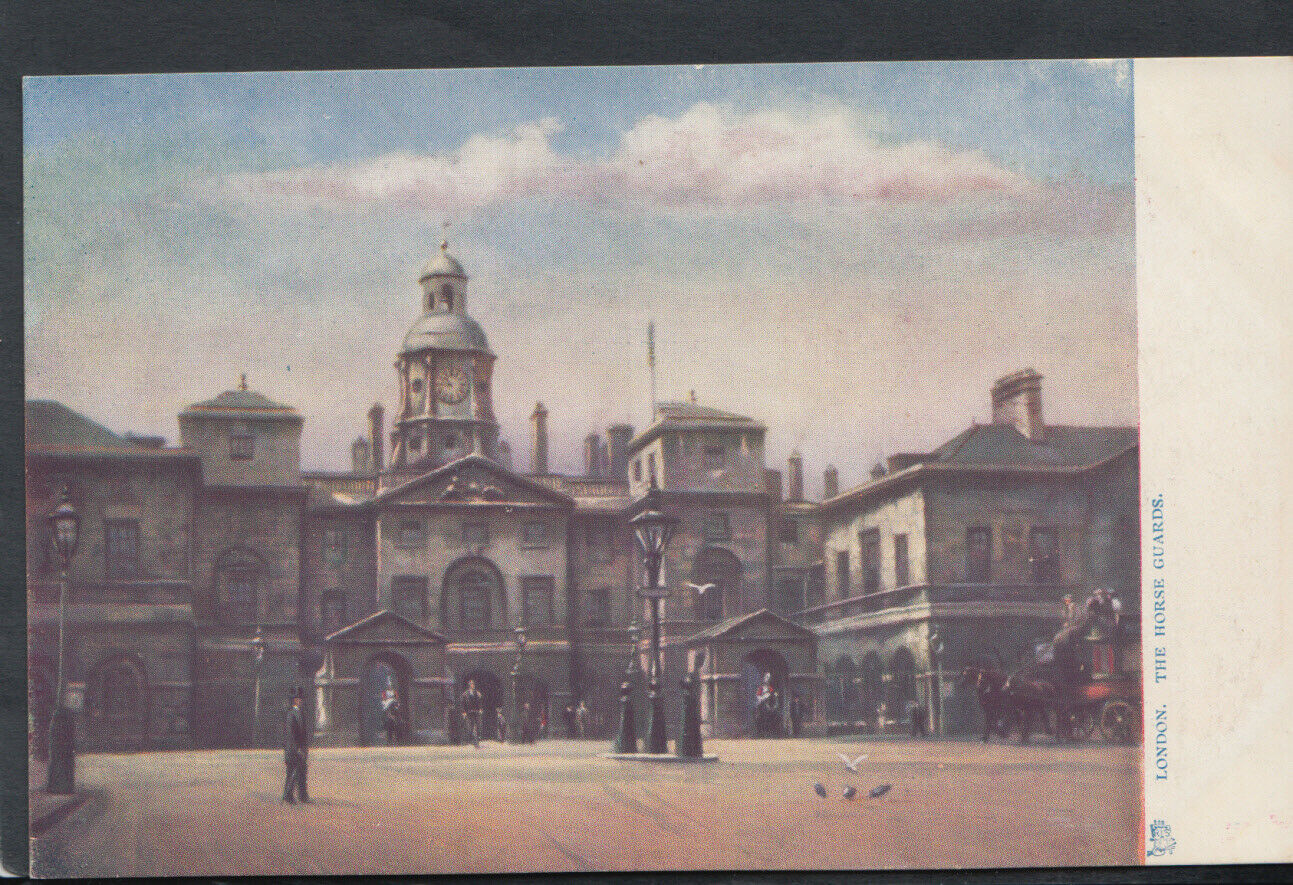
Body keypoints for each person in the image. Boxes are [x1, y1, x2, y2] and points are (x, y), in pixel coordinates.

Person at [282, 687, 310, 804]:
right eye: (298, 699)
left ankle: (303, 796)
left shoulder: (300, 713)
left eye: (300, 699)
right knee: (292, 773)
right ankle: (288, 796)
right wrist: (297, 748)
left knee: (302, 772)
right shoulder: (291, 714)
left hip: (300, 749)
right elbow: (291, 734)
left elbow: (303, 732)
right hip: (293, 749)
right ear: (294, 700)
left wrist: (304, 748)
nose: (300, 701)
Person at [461, 679, 484, 748]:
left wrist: (480, 709)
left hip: (476, 711)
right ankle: (471, 740)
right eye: (471, 684)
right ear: (469, 685)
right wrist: (464, 712)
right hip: (469, 712)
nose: (472, 685)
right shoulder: (465, 694)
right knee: (470, 727)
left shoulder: (477, 693)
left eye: (473, 684)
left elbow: (480, 702)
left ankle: (477, 740)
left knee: (477, 725)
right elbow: (463, 704)